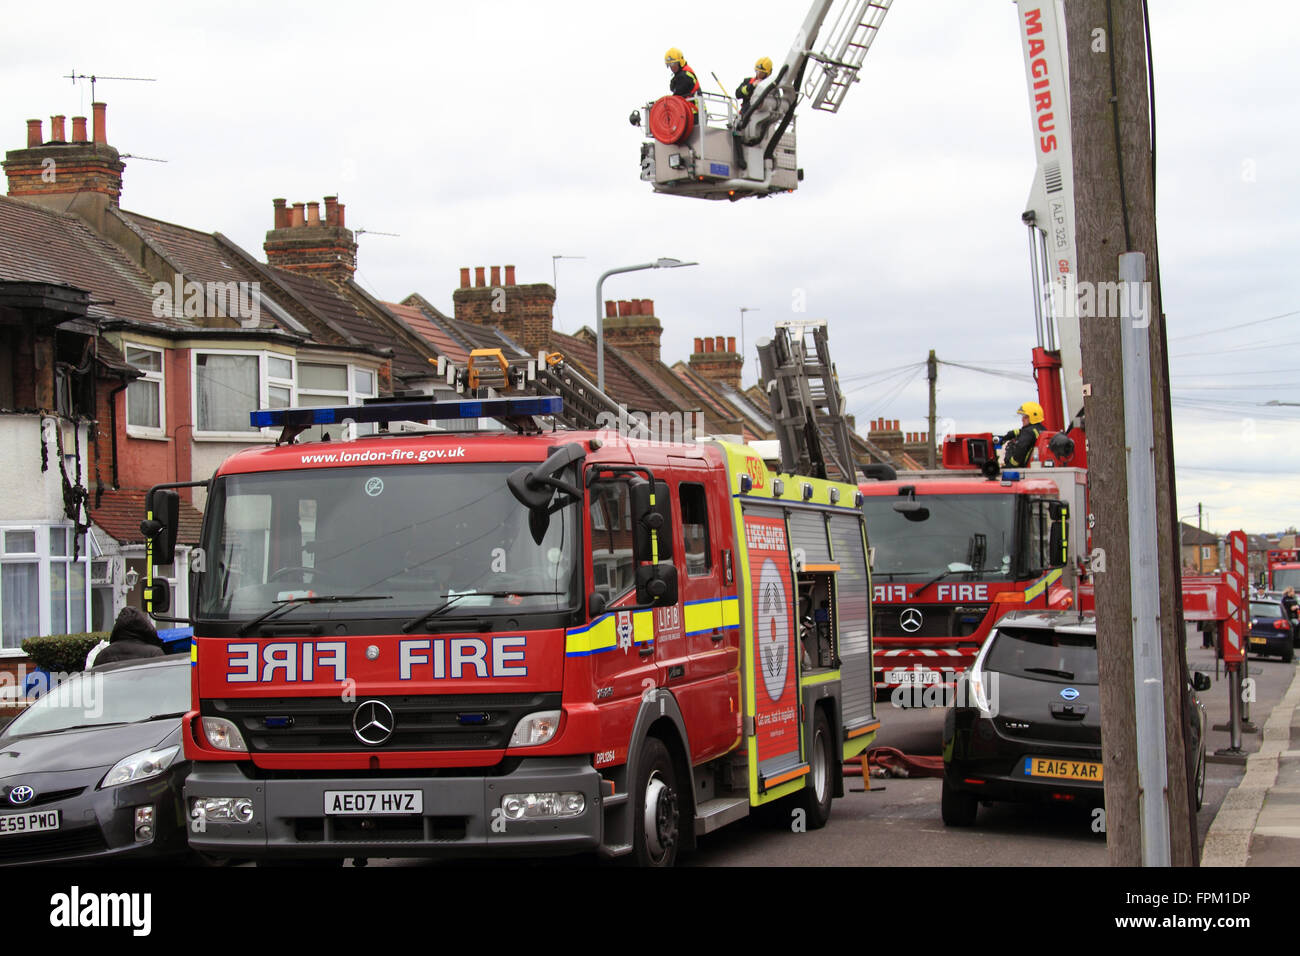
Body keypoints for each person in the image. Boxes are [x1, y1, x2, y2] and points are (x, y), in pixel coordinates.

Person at [89, 606, 166, 667]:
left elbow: (96, 683)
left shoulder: (104, 654)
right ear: (144, 627)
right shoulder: (154, 653)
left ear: (117, 627)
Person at [1002, 401, 1046, 468]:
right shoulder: (1042, 429)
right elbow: (1025, 432)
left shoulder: (1027, 432)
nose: (1022, 419)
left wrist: (1010, 465)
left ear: (1033, 417)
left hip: (1026, 469)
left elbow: (1021, 448)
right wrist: (1012, 434)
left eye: (1025, 417)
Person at [665, 48, 700, 115]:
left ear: (680, 62)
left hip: (694, 112)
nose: (672, 67)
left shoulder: (685, 76)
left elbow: (678, 94)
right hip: (689, 112)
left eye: (673, 64)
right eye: (669, 65)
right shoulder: (680, 75)